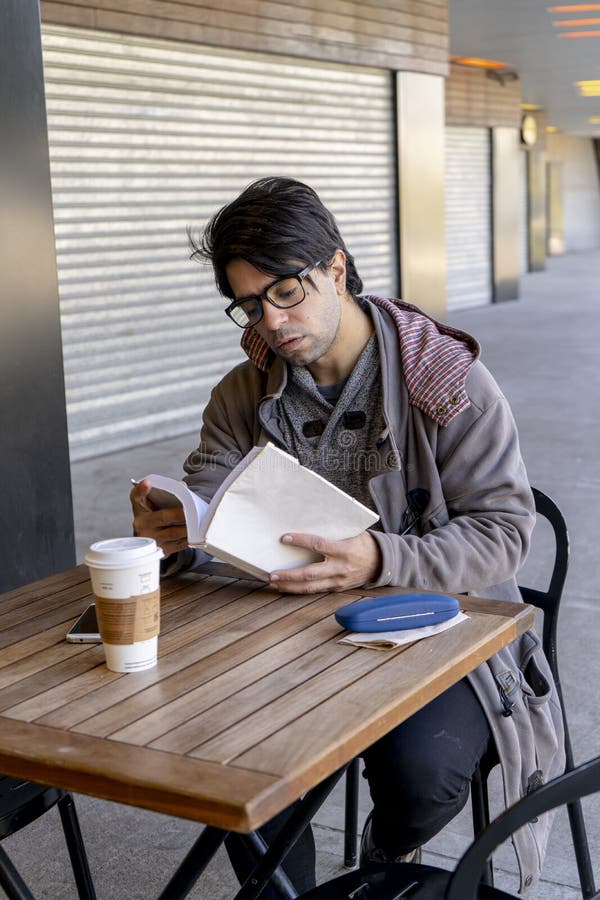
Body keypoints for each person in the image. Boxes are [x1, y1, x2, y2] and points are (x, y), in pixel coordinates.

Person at [131, 177, 565, 894]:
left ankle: (386, 851)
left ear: (335, 268)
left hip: (434, 624)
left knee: (424, 780)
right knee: (239, 770)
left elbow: (504, 533)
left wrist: (379, 559)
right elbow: (206, 484)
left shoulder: (446, 382)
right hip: (284, 629)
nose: (269, 320)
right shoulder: (245, 390)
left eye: (286, 291)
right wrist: (172, 526)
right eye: (248, 302)